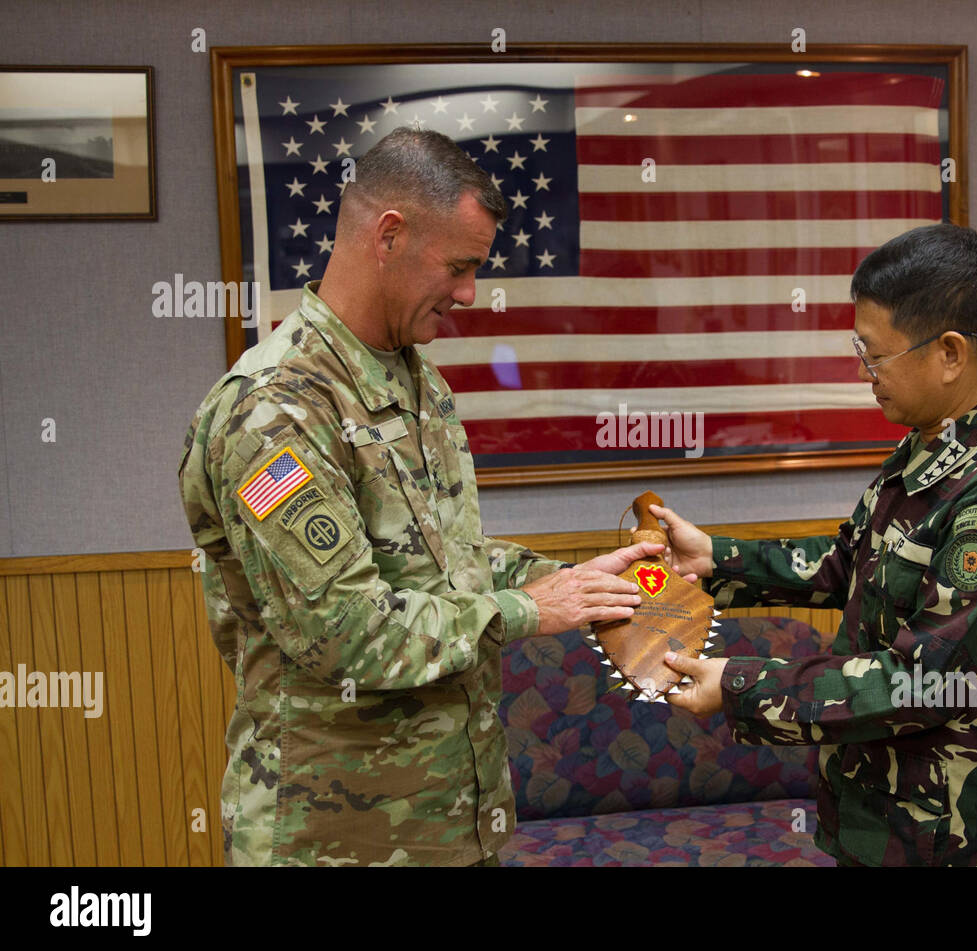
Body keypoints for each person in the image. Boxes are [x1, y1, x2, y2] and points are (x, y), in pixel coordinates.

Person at [178, 127, 657, 866]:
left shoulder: (413, 377)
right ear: (390, 235)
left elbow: (437, 558)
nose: (469, 293)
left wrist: (563, 579)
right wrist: (535, 608)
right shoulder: (275, 411)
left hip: (455, 820)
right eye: (460, 267)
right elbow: (346, 629)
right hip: (336, 837)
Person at [658, 224, 977, 866]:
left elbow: (923, 682)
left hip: (963, 838)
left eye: (875, 354)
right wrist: (714, 559)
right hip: (882, 819)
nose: (865, 372)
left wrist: (739, 684)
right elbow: (848, 566)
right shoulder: (930, 447)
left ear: (949, 353)